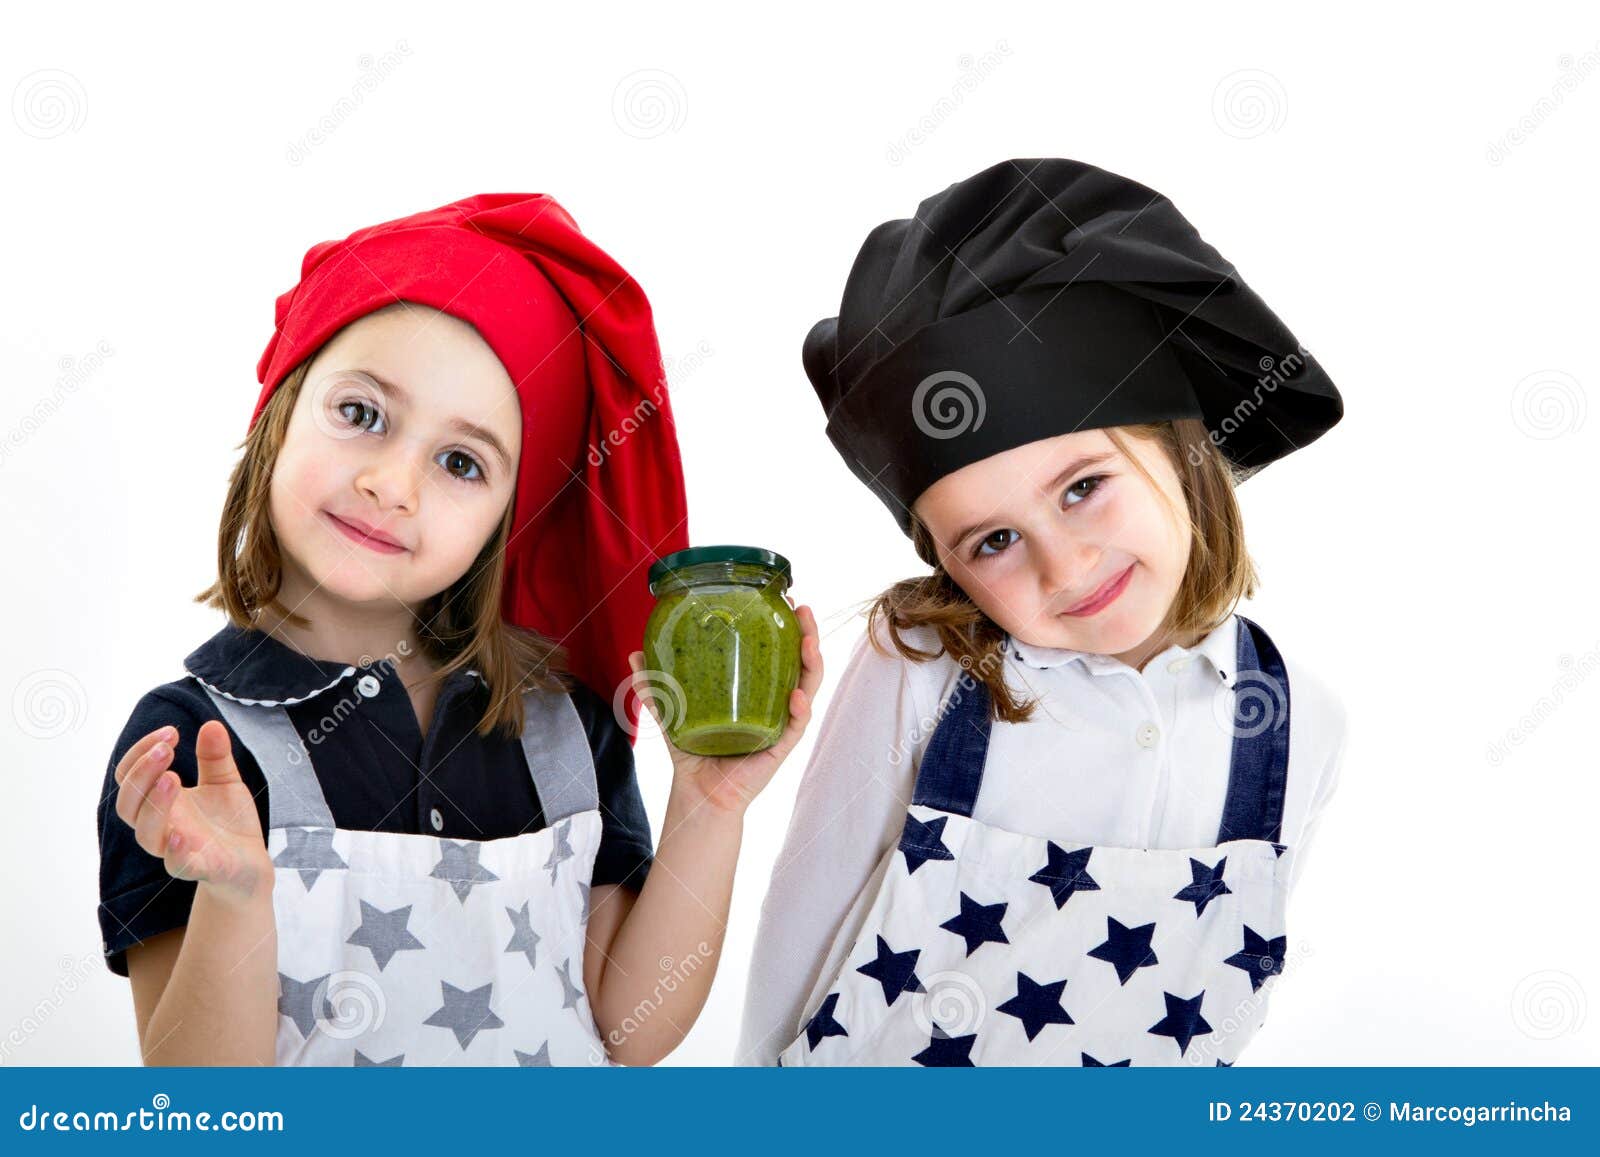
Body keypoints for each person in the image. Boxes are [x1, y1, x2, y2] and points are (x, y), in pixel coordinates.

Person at [96, 193, 822, 1066]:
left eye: (460, 462)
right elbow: (202, 1104)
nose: (393, 483)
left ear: (506, 524)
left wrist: (709, 809)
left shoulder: (566, 732)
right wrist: (236, 895)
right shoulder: (193, 746)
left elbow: (628, 1030)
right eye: (362, 413)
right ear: (280, 411)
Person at [739, 158, 1346, 1066]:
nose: (1064, 566)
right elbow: (798, 940)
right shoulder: (922, 671)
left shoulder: (1298, 725)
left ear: (1179, 448)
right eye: (991, 542)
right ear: (946, 563)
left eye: (1084, 488)